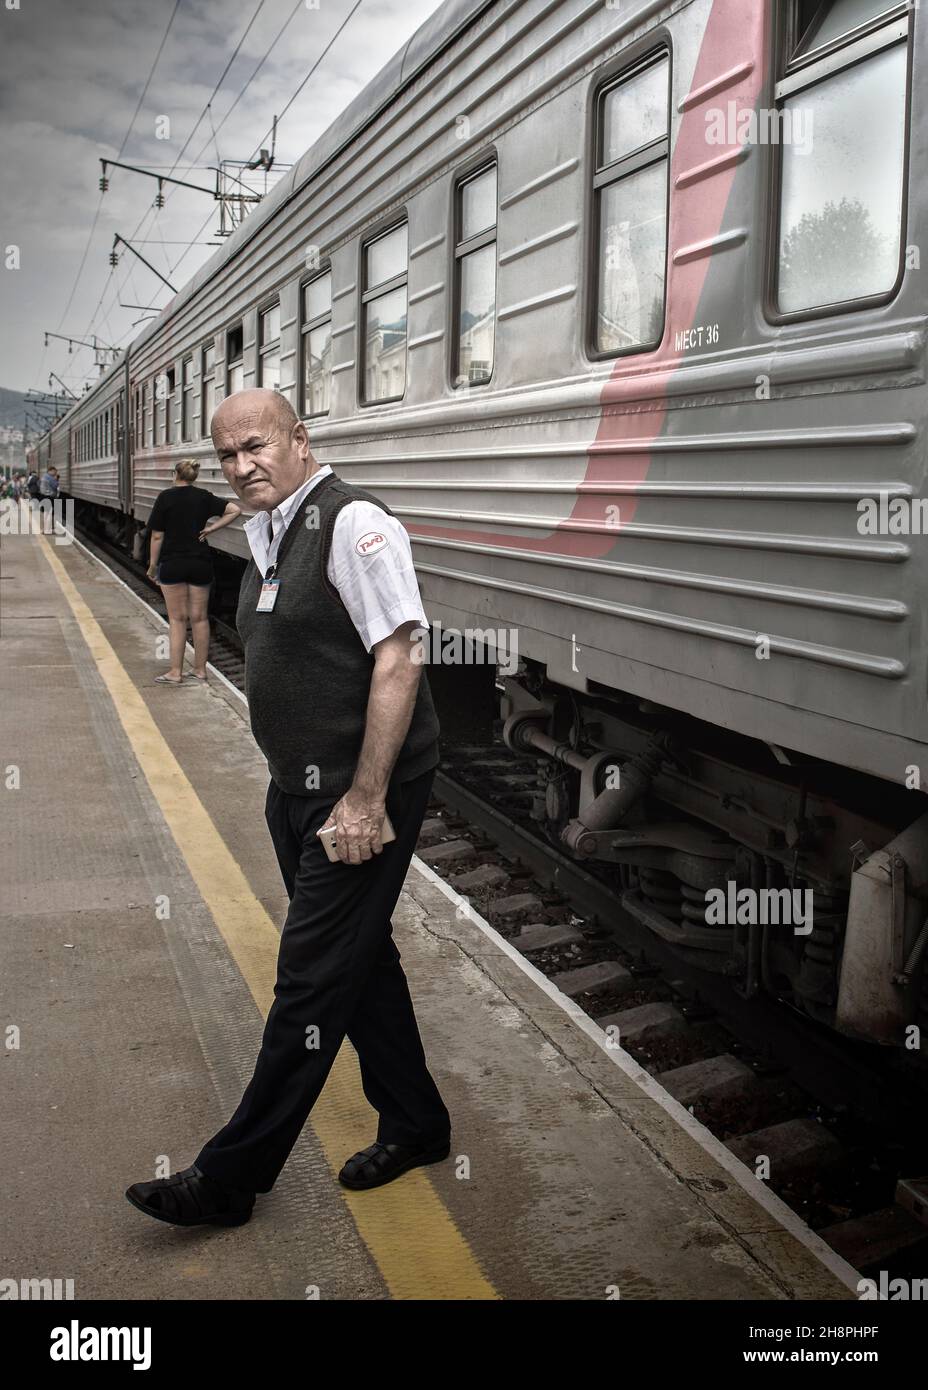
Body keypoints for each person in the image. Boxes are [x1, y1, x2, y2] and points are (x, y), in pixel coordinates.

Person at [126, 388, 450, 1228]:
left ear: (301, 440)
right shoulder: (266, 525)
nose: (241, 467)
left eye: (256, 448)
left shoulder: (354, 524)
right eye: (227, 455)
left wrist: (368, 798)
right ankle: (416, 1123)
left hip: (356, 797)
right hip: (297, 792)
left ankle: (231, 1177)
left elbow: (400, 657)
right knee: (359, 961)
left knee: (307, 985)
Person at [145, 458, 241, 684]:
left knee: (177, 619)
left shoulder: (165, 498)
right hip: (200, 563)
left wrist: (152, 565)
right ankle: (200, 670)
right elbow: (234, 510)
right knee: (199, 618)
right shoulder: (204, 496)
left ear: (174, 474)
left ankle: (175, 673)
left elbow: (157, 535)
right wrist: (211, 528)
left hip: (172, 564)